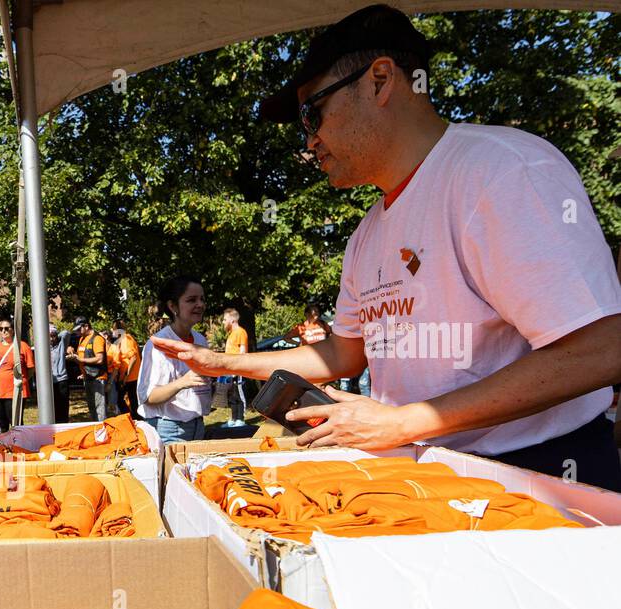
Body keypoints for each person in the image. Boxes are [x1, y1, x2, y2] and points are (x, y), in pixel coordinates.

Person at [156, 4, 621, 488]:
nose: (309, 141)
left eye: (312, 114)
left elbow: (600, 348)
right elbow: (343, 355)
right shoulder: (367, 234)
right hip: (427, 473)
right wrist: (226, 363)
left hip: (541, 474)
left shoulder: (503, 172)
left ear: (380, 80)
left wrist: (402, 422)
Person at [137, 276, 212, 443]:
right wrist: (183, 382)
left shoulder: (200, 341)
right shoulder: (157, 344)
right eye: (192, 300)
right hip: (168, 431)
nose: (200, 304)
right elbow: (148, 397)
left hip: (198, 426)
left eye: (202, 299)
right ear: (172, 306)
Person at [0, 317, 32, 434]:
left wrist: (23, 380)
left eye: (6, 328)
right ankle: (6, 450)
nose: (3, 331)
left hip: (15, 391)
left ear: (13, 330)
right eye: (1, 329)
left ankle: (19, 449)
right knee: (2, 425)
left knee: (16, 425)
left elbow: (31, 368)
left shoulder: (22, 346)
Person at [74, 318, 108, 421]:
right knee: (92, 408)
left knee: (99, 409)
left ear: (86, 326)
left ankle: (102, 432)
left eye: (79, 329)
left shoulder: (97, 339)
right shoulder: (82, 338)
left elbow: (99, 359)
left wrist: (81, 360)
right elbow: (83, 356)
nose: (77, 332)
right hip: (87, 377)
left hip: (98, 378)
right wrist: (74, 356)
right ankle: (95, 430)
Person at [221, 309, 250, 427]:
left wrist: (237, 370)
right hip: (230, 371)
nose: (223, 322)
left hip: (238, 370)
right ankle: (233, 419)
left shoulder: (240, 332)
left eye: (224, 319)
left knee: (240, 393)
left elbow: (242, 351)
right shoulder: (231, 334)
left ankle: (241, 419)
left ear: (232, 320)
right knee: (232, 395)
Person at [112, 323, 142, 420]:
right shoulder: (123, 340)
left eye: (114, 330)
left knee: (124, 400)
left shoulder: (126, 340)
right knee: (129, 400)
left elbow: (133, 358)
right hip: (128, 377)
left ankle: (132, 419)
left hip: (131, 377)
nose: (113, 332)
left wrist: (126, 375)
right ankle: (132, 419)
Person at [48, 324, 70, 423]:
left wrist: (52, 329)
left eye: (53, 336)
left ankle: (63, 424)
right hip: (50, 381)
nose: (52, 338)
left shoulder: (62, 344)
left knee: (63, 406)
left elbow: (66, 333)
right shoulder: (44, 348)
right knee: (53, 406)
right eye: (49, 336)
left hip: (62, 380)